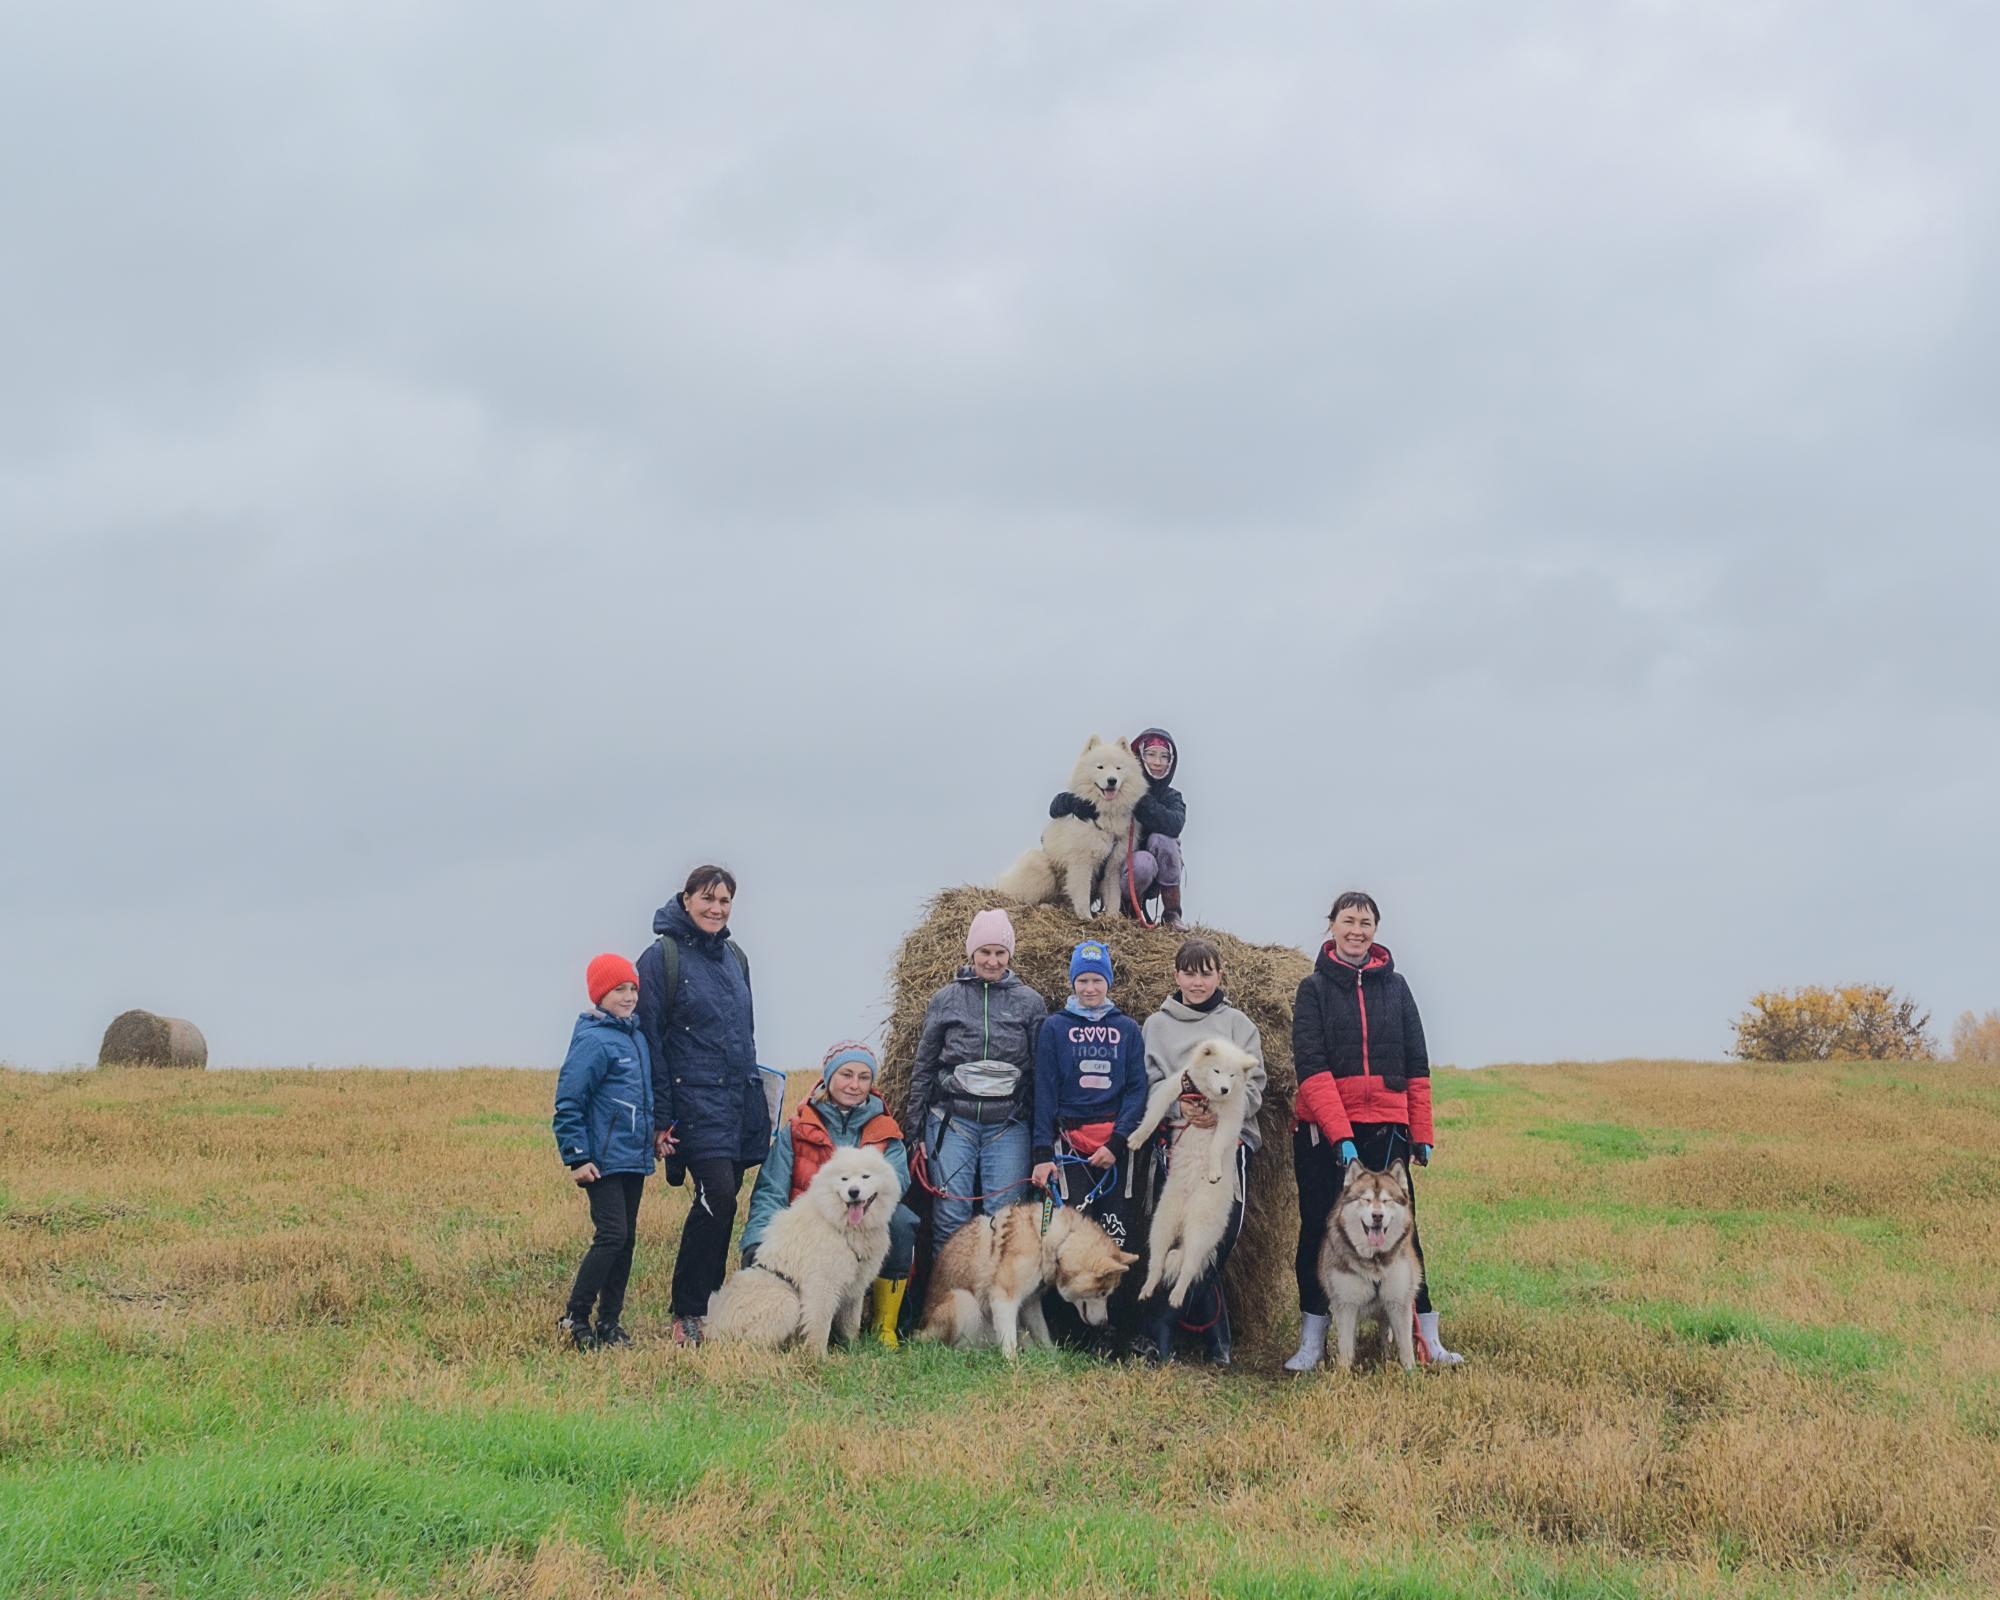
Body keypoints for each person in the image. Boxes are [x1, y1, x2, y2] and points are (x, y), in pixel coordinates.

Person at [1286, 890, 1464, 1370]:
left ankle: (1426, 1336)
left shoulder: (1397, 988)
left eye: (1365, 922)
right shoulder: (1313, 990)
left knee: (1407, 1232)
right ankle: (1312, 1340)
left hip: (1387, 1125)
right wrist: (1340, 1136)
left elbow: (1416, 1064)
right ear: (1332, 926)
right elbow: (1313, 1067)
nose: (1357, 930)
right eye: (1348, 921)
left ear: (1376, 930)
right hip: (1324, 1131)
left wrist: (1420, 1130)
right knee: (1316, 1232)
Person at [635, 865, 768, 1348]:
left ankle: (712, 1306)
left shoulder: (735, 957)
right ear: (686, 899)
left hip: (736, 1101)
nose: (716, 908)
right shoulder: (660, 958)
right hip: (692, 1101)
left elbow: (744, 1034)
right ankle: (688, 1311)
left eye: (725, 901)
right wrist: (659, 1119)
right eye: (707, 899)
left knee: (724, 1202)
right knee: (717, 1197)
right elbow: (651, 1039)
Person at [1133, 937, 1267, 1366]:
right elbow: (1150, 1081)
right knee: (1168, 1232)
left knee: (1215, 1238)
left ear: (1219, 975)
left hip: (1224, 1142)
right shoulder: (1156, 1025)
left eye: (1206, 972)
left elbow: (1255, 1084)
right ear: (1176, 976)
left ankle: (1206, 1331)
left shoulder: (1238, 1025)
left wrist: (1216, 1107)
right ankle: (1166, 1334)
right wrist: (1183, 1105)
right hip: (1175, 1139)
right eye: (1189, 973)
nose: (1197, 981)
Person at [740, 1042, 919, 1346]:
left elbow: (896, 1182)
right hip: (809, 1234)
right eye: (846, 1074)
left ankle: (882, 1324)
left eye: (864, 1077)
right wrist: (755, 1244)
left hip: (863, 1227)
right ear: (828, 1077)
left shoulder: (886, 1130)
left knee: (901, 1221)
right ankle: (808, 1329)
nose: (854, 1084)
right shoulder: (797, 1129)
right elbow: (771, 1189)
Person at [904, 908, 1047, 1254]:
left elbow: (1041, 1074)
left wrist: (1039, 1131)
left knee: (1004, 1222)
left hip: (1007, 1126)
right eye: (985, 952)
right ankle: (948, 1304)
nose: (993, 961)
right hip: (953, 1123)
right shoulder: (946, 999)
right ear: (972, 953)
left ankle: (996, 1306)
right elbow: (924, 1065)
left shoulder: (1030, 1002)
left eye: (1000, 953)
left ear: (1010, 955)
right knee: (951, 1219)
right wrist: (913, 1132)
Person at [1030, 939, 1149, 1351]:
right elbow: (1043, 1091)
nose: (1090, 988)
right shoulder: (1055, 1028)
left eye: (1097, 980)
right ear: (1073, 981)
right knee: (1068, 1239)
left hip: (1112, 1150)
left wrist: (1117, 1143)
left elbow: (1137, 1090)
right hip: (1069, 1148)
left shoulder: (1128, 1029)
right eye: (1082, 980)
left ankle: (1119, 1329)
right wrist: (1043, 1154)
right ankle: (1069, 1330)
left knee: (1116, 1238)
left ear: (1108, 982)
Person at [552, 953, 655, 1352]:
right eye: (619, 990)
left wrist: (655, 1138)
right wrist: (577, 1156)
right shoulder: (594, 1041)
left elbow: (640, 1099)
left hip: (633, 1157)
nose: (629, 997)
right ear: (599, 995)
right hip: (603, 1161)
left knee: (626, 1240)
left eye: (632, 989)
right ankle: (575, 1317)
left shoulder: (636, 1036)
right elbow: (569, 1101)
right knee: (611, 1235)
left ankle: (609, 1322)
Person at [1046, 727, 1187, 924]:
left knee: (1157, 846)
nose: (1157, 762)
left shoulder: (1169, 797)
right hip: (1120, 871)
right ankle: (1120, 911)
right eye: (1151, 754)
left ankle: (1171, 913)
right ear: (1139, 756)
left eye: (1164, 757)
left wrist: (1138, 801)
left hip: (1147, 872)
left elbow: (1174, 825)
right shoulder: (1101, 791)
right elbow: (1058, 807)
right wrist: (1072, 803)